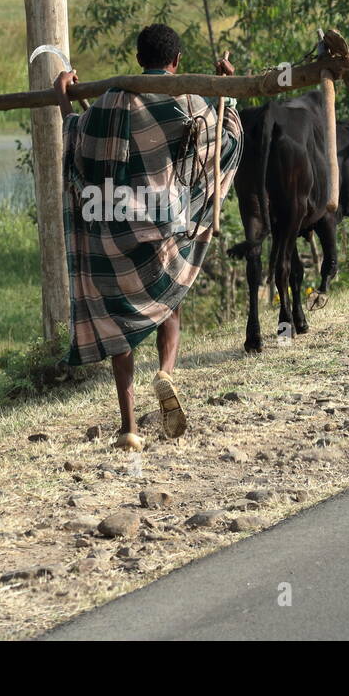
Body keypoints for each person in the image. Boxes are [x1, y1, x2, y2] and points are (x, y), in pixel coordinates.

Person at [53, 24, 242, 451]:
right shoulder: (190, 100)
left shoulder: (110, 100)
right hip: (166, 224)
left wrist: (66, 97)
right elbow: (223, 146)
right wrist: (226, 93)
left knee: (121, 324)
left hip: (114, 227)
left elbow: (79, 136)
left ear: (139, 58)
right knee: (168, 302)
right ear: (176, 62)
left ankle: (129, 428)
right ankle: (166, 374)